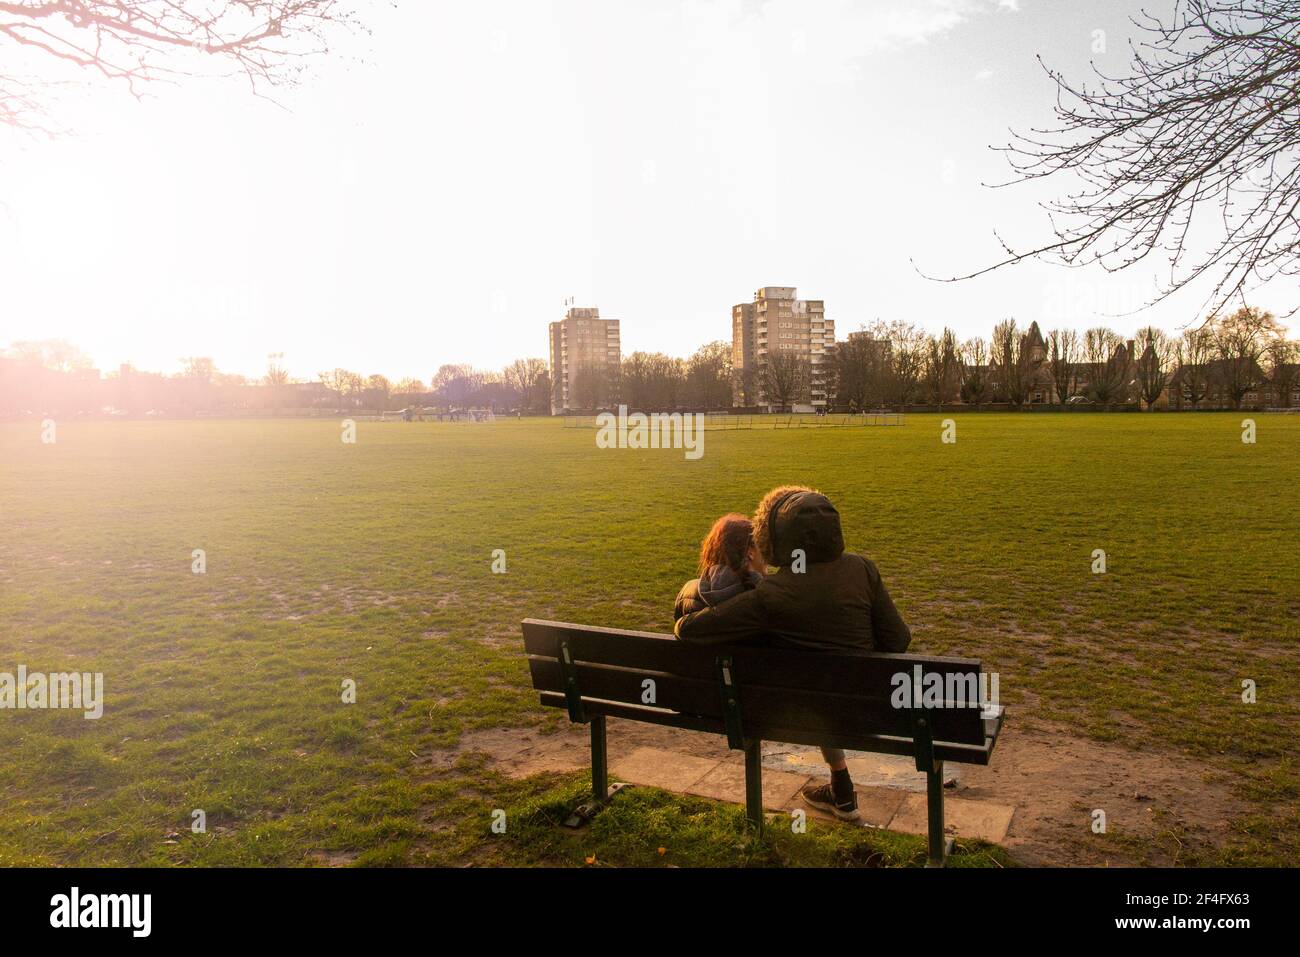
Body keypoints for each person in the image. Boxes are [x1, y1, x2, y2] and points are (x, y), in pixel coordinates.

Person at [673, 486, 912, 822]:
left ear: (774, 538)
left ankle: (834, 788)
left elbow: (689, 629)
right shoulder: (863, 569)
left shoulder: (772, 593)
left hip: (802, 712)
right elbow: (898, 640)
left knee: (814, 695)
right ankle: (841, 788)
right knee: (826, 694)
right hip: (874, 714)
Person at [673, 513, 765, 621]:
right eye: (761, 546)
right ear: (750, 552)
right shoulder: (764, 595)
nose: (766, 553)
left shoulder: (688, 590)